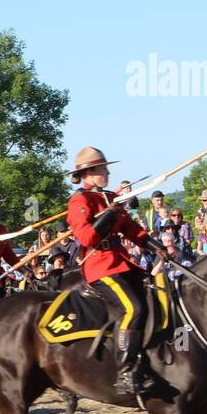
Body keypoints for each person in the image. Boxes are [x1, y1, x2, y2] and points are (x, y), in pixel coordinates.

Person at [67, 146, 161, 393]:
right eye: (102, 169)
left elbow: (131, 229)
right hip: (99, 266)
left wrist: (154, 245)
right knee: (133, 308)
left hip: (122, 262)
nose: (107, 172)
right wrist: (107, 215)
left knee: (158, 295)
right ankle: (126, 370)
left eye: (106, 168)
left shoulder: (110, 198)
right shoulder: (80, 200)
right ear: (88, 173)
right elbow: (86, 237)